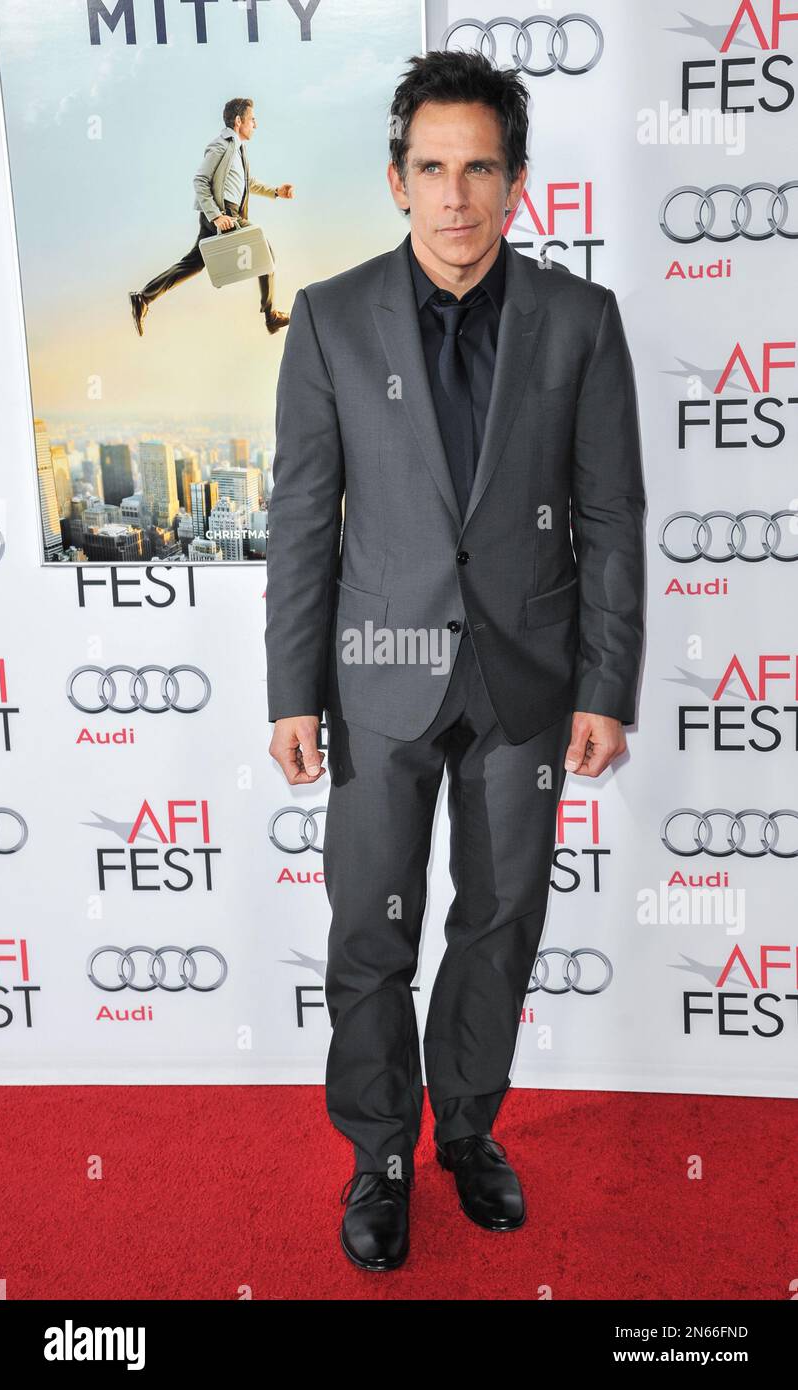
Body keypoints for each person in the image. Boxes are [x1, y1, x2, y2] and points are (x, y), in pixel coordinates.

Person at [265, 49, 646, 1272]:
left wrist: (605, 683)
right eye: (431, 167)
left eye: (481, 167)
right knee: (371, 938)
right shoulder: (328, 317)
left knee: (497, 924)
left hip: (527, 688)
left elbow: (612, 517)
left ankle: (467, 1135)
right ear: (396, 181)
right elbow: (302, 516)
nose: (456, 194)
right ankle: (378, 1159)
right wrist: (290, 695)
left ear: (517, 184)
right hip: (375, 684)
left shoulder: (581, 322)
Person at [129, 97, 292, 336]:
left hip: (223, 213)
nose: (255, 125)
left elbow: (248, 183)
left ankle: (143, 298)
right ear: (238, 121)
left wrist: (276, 191)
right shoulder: (222, 145)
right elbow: (200, 180)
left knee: (194, 263)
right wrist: (216, 216)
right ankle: (271, 316)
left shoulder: (238, 149)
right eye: (252, 119)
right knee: (263, 252)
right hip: (223, 213)